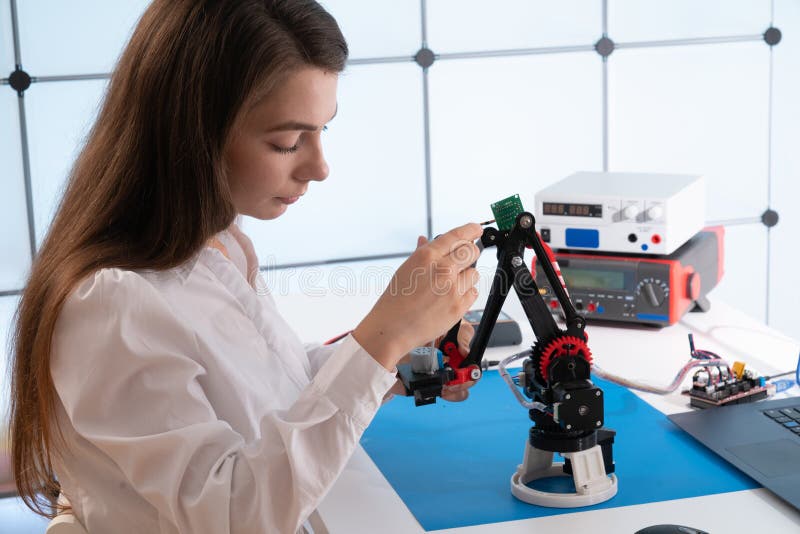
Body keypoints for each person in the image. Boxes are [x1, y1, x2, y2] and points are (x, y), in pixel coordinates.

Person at [8, 1, 481, 532]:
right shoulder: (112, 306)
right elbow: (234, 514)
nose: (319, 168)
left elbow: (275, 390)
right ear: (193, 133)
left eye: (323, 130)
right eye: (286, 142)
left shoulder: (221, 245)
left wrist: (401, 354)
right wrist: (382, 339)